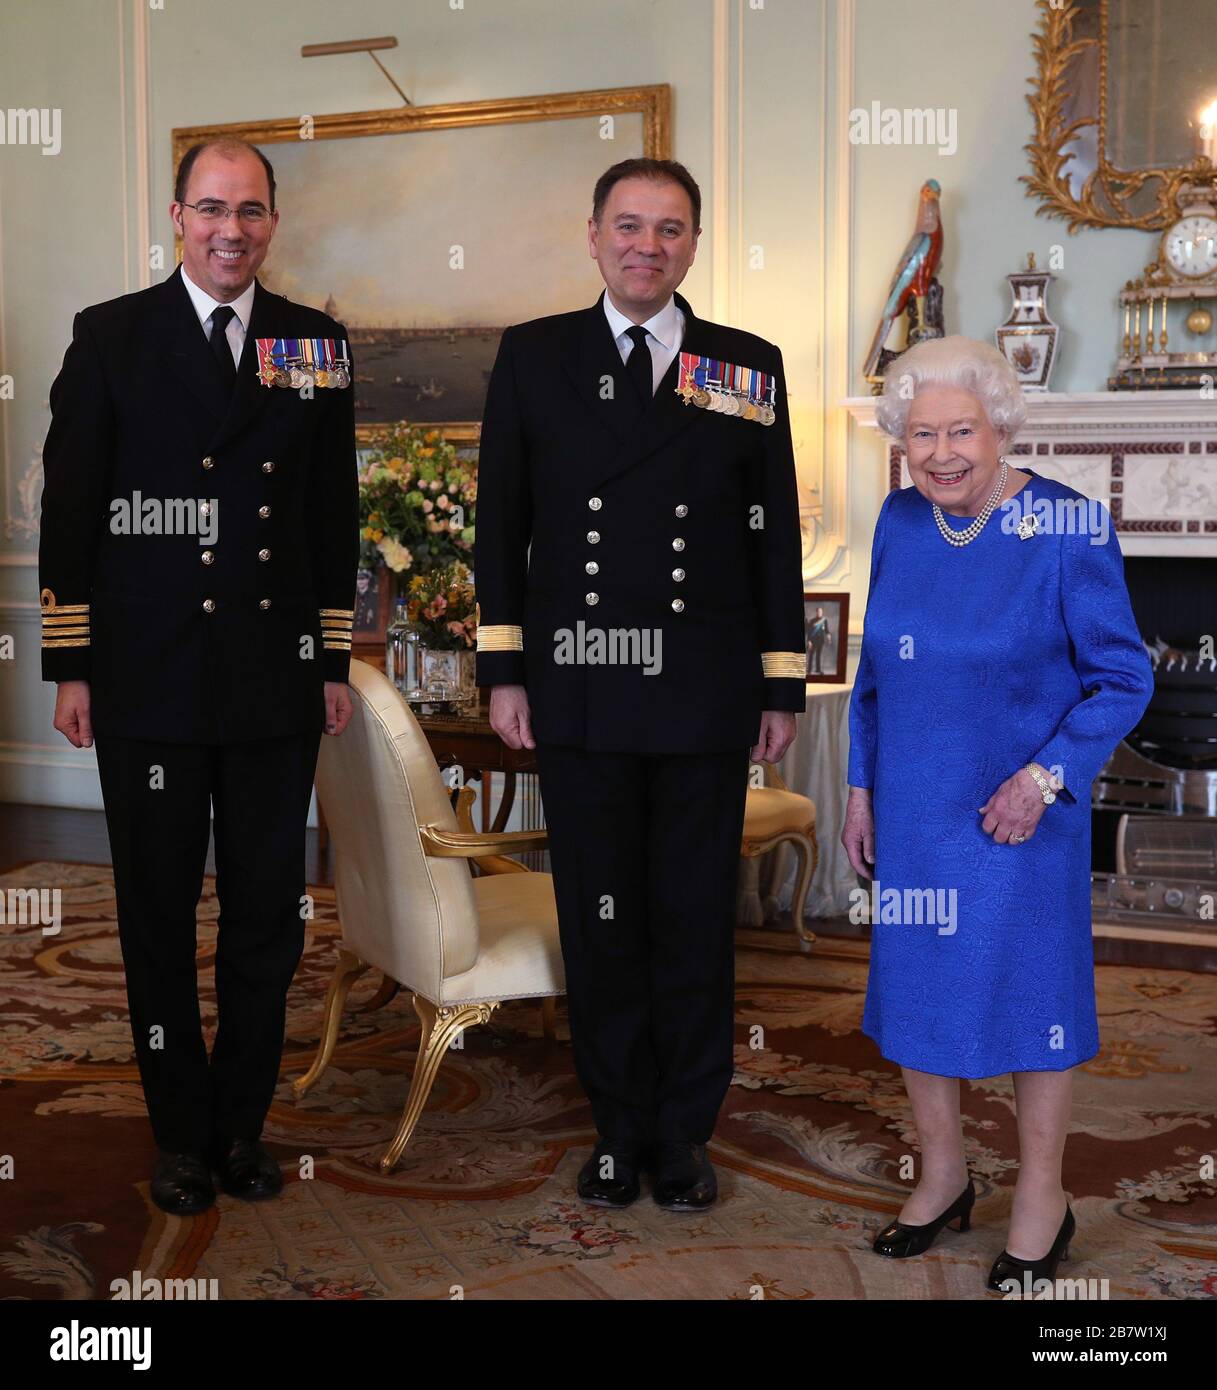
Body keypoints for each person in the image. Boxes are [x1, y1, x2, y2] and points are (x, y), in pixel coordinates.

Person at [475, 158, 805, 1211]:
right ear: (592, 235)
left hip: (702, 689)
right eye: (627, 226)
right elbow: (500, 528)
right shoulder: (533, 358)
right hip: (577, 688)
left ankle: (684, 1134)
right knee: (602, 917)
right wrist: (502, 670)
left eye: (668, 230)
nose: (645, 246)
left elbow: (772, 540)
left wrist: (779, 686)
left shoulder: (742, 366)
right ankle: (617, 1130)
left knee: (694, 917)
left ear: (692, 247)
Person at [39, 138, 358, 1215]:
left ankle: (240, 1128)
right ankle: (178, 1132)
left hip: (272, 682)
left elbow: (327, 512)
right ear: (177, 216)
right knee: (157, 915)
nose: (233, 229)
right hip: (150, 679)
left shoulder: (313, 344)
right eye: (213, 208)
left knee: (267, 917)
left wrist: (331, 658)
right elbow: (72, 509)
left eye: (253, 211)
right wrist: (69, 662)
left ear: (275, 222)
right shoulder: (112, 336)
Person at [841, 335, 1152, 1290]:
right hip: (913, 812)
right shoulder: (898, 522)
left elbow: (1122, 675)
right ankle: (940, 1177)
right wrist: (860, 786)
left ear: (1000, 426)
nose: (940, 453)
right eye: (921, 434)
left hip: (1017, 817)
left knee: (1027, 1005)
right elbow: (876, 671)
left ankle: (1040, 1198)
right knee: (916, 992)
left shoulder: (1066, 528)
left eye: (960, 431)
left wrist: (1046, 777)